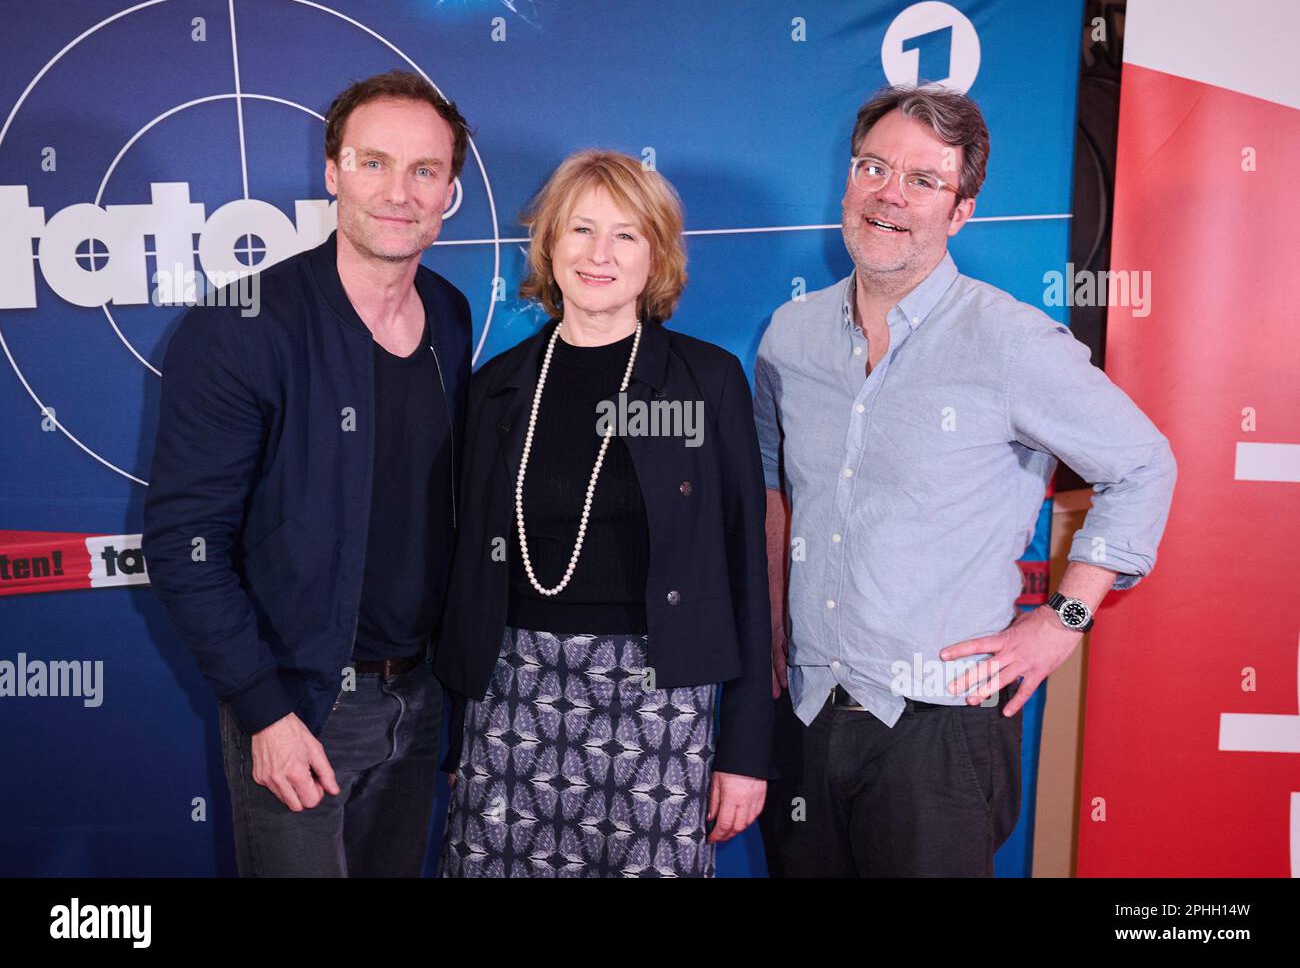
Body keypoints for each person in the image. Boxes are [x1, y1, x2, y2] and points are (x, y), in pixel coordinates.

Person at [754, 85, 1176, 877]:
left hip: (941, 735)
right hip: (805, 717)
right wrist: (776, 618)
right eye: (874, 167)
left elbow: (1145, 463)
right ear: (848, 179)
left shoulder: (1011, 342)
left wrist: (1063, 620)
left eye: (923, 180)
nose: (890, 195)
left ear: (961, 212)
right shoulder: (790, 337)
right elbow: (775, 480)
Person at [142, 70, 473, 877]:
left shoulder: (452, 314)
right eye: (373, 164)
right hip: (303, 704)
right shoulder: (240, 327)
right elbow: (186, 542)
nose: (399, 193)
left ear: (450, 191)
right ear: (332, 174)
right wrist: (266, 712)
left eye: (424, 171)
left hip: (424, 697)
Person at [434, 149, 771, 878]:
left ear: (656, 257)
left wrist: (745, 752)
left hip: (658, 701)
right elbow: (467, 574)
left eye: (625, 235)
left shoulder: (704, 383)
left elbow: (744, 568)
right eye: (581, 230)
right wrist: (460, 734)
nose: (599, 254)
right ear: (549, 245)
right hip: (510, 700)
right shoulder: (496, 390)